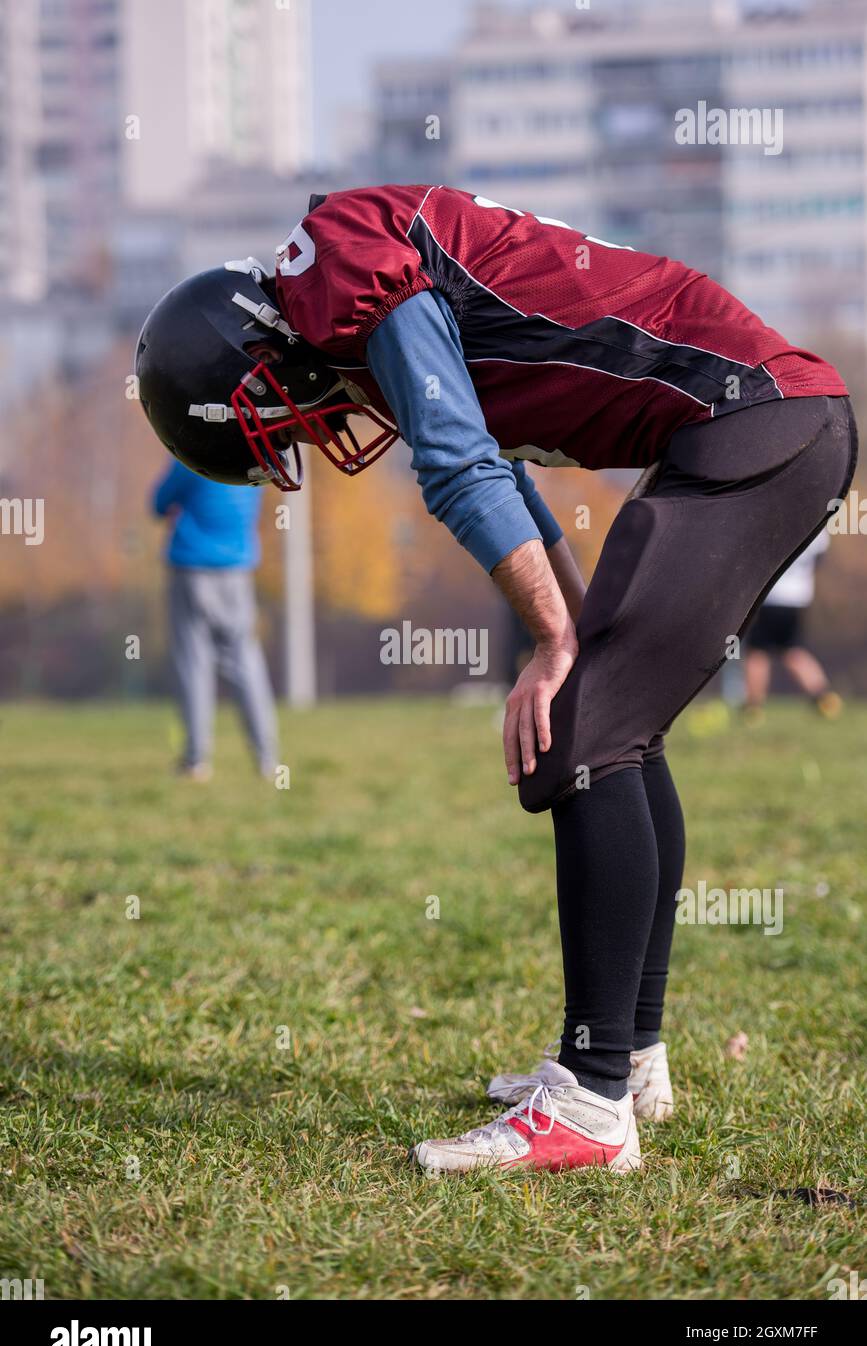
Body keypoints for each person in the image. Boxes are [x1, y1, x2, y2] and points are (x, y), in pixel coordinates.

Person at [136, 186, 856, 1174]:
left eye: (286, 421)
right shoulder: (364, 285)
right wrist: (566, 629)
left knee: (586, 730)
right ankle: (630, 1056)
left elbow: (459, 461)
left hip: (762, 424)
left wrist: (562, 648)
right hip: (766, 424)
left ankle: (592, 1104)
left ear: (260, 355)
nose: (314, 432)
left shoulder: (346, 269)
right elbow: (505, 467)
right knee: (613, 722)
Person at [152, 456, 278, 781]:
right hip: (237, 570)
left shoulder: (192, 456)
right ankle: (267, 759)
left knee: (193, 663)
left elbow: (158, 503)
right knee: (246, 664)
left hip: (191, 566)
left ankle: (196, 761)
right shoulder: (257, 459)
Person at [743, 530, 842, 721]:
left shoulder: (782, 522)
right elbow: (818, 561)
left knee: (757, 653)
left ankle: (752, 708)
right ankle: (824, 697)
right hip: (799, 597)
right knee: (792, 650)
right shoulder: (820, 531)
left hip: (772, 597)